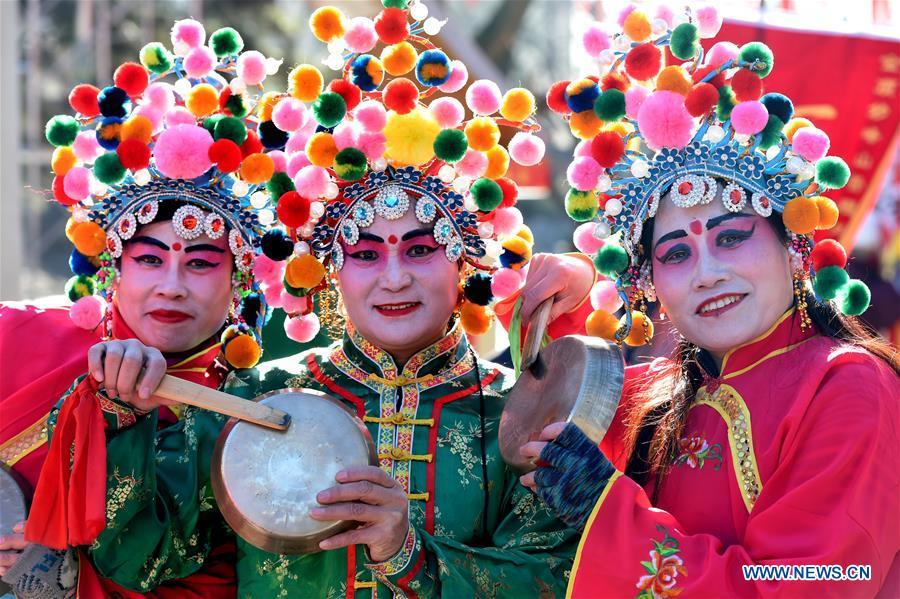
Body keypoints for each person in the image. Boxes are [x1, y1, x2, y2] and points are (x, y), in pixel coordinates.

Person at [39, 4, 599, 597]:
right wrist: (124, 420)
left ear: (463, 261)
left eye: (419, 250)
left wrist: (406, 554)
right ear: (329, 270)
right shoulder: (251, 399)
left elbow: (557, 580)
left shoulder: (519, 418)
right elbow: (145, 564)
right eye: (363, 254)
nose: (393, 279)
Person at [519, 4, 900, 597]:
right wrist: (563, 288)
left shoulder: (850, 388)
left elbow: (810, 582)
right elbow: (542, 395)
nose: (707, 272)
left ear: (794, 249)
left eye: (731, 236)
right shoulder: (663, 393)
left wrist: (605, 511)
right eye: (674, 253)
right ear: (648, 285)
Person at [10, 20, 288, 597]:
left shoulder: (253, 417)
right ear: (112, 265)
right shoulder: (16, 340)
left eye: (202, 263)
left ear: (240, 280)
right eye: (150, 259)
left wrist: (61, 575)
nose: (172, 286)